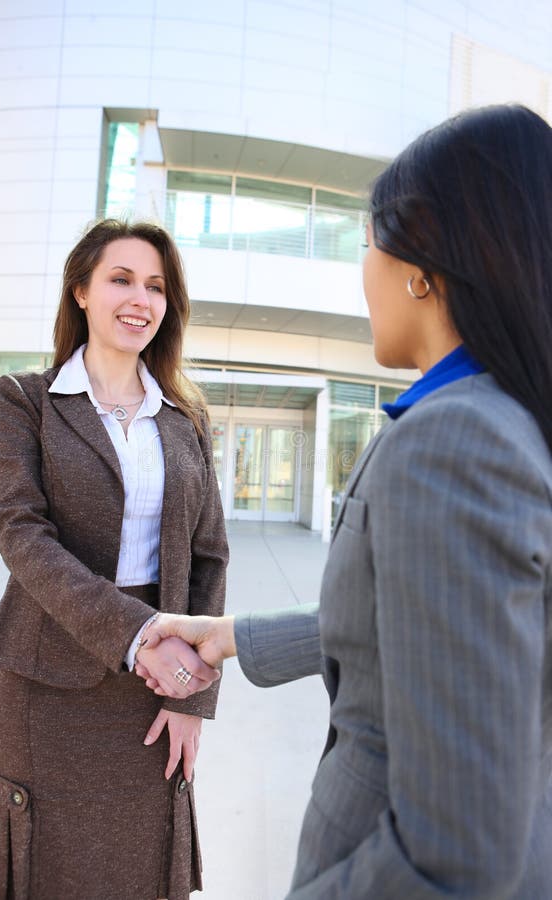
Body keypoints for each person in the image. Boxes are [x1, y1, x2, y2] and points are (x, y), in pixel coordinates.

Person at [137, 105, 552, 898]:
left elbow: (455, 853)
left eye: (367, 242)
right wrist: (230, 635)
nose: (362, 270)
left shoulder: (455, 441)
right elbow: (434, 623)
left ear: (422, 265)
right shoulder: (507, 419)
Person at [0, 219, 228, 900]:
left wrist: (195, 695)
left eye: (156, 286)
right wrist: (137, 635)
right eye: (121, 279)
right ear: (81, 291)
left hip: (157, 693)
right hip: (46, 690)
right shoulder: (25, 401)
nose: (141, 299)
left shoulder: (187, 418)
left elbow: (209, 556)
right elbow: (22, 535)